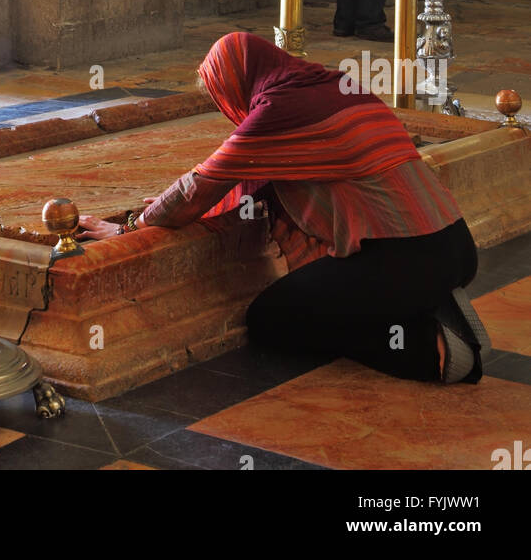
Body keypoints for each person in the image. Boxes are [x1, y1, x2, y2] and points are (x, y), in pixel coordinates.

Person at [78, 31, 489, 386]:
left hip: (406, 258)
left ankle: (433, 349)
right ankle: (421, 298)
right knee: (323, 299)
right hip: (454, 244)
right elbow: (236, 181)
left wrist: (132, 227)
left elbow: (202, 184)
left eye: (221, 92)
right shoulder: (334, 87)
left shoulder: (281, 109)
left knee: (272, 319)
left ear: (235, 82)